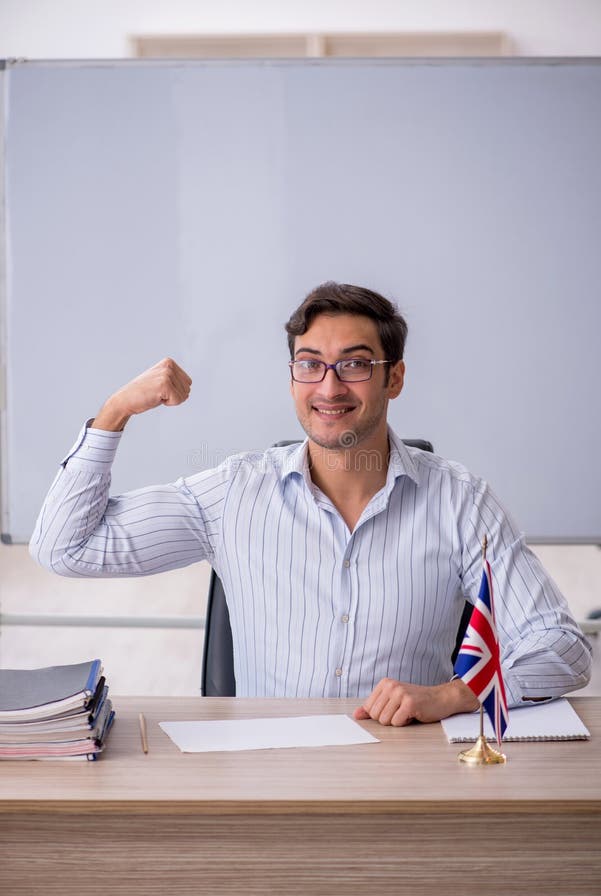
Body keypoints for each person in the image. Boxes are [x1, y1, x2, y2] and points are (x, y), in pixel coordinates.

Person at [30, 282, 591, 726]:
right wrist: (114, 412)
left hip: (407, 781)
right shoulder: (233, 495)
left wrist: (456, 695)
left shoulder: (459, 500)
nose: (329, 387)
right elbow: (64, 548)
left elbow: (562, 647)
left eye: (354, 364)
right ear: (292, 375)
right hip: (267, 783)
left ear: (394, 378)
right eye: (310, 363)